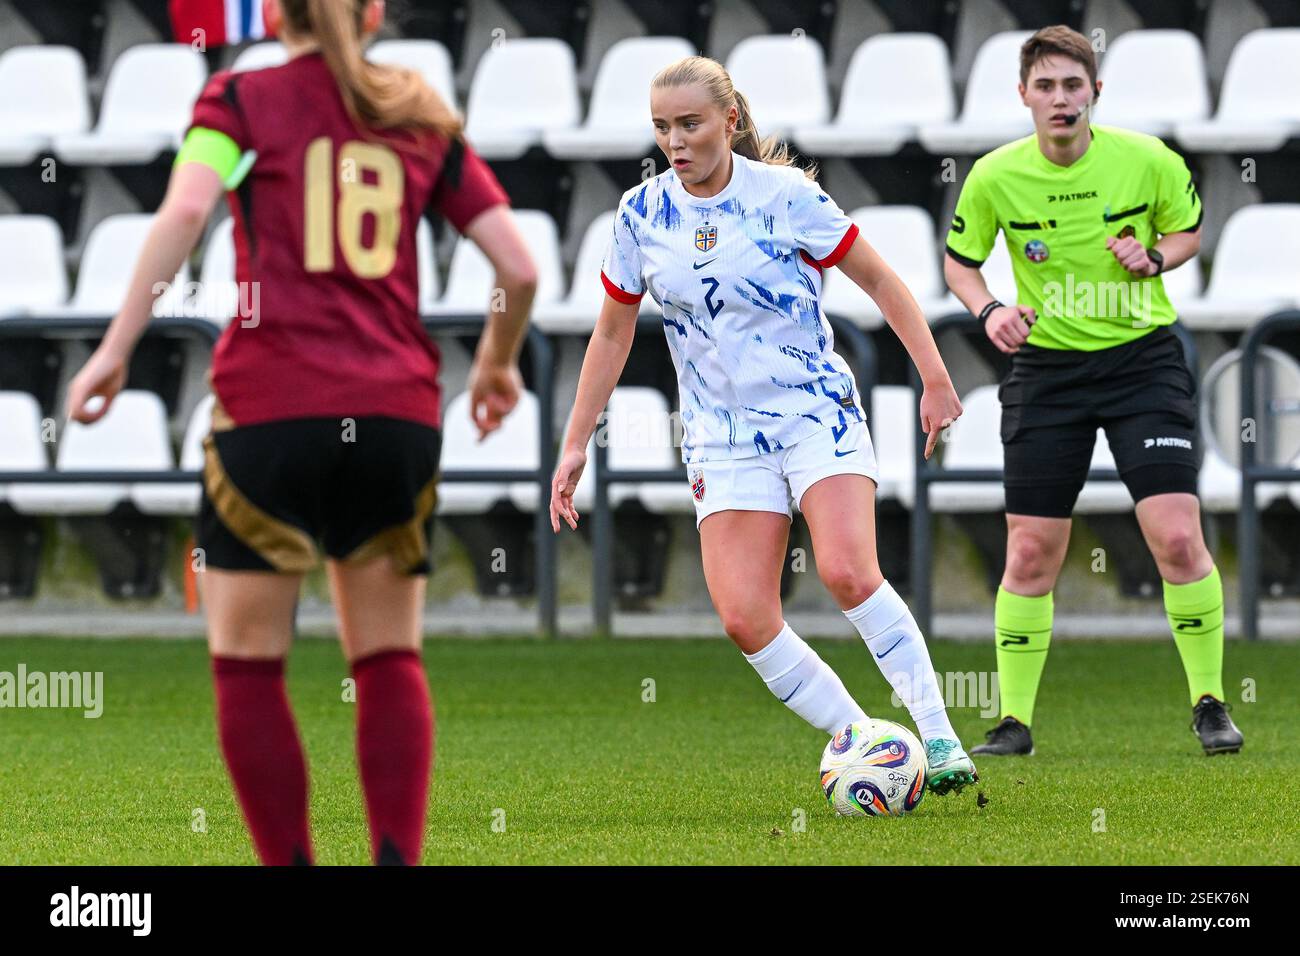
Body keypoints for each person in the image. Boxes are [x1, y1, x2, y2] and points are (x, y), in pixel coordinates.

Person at [64, 0, 536, 863]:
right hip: (395, 414)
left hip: (269, 412)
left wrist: (115, 348)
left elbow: (182, 214)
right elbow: (519, 263)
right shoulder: (420, 112)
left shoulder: (237, 103)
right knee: (389, 654)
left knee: (247, 663)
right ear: (376, 12)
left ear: (275, 12)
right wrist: (499, 364)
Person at [550, 55, 979, 795]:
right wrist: (575, 440)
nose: (675, 141)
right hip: (721, 435)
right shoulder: (640, 215)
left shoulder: (786, 195)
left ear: (731, 121)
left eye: (690, 123)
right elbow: (612, 335)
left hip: (814, 411)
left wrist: (936, 378)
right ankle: (864, 739)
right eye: (662, 127)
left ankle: (938, 736)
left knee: (846, 571)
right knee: (746, 617)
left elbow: (879, 280)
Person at [943, 25, 1242, 757]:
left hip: (1144, 363)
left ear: (1095, 93)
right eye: (1045, 86)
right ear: (1024, 97)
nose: (1060, 99)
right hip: (1047, 373)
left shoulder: (1147, 160)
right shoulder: (993, 176)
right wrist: (991, 312)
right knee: (1031, 552)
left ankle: (1210, 703)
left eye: (1073, 85)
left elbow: (1189, 233)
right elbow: (960, 264)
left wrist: (1154, 259)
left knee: (1176, 536)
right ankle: (1014, 722)